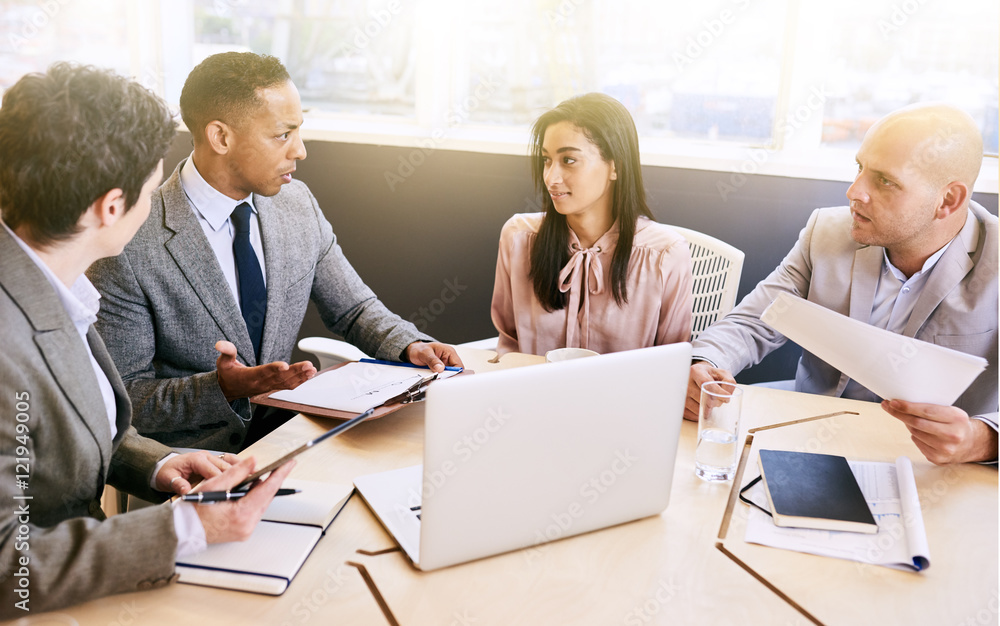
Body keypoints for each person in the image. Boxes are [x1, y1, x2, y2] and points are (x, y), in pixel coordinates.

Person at [0, 64, 297, 617]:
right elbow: (8, 571)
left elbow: (81, 437)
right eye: (149, 187)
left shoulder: (54, 282)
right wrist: (186, 528)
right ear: (111, 207)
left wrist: (162, 465)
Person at [88, 52, 462, 452]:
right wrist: (220, 389)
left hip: (293, 441)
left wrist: (409, 345)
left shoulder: (295, 203)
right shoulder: (129, 241)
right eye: (283, 135)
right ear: (221, 137)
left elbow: (353, 309)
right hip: (194, 462)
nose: (300, 151)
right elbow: (124, 397)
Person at [687, 103, 997, 465]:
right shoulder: (827, 232)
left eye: (884, 181)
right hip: (817, 430)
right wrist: (703, 360)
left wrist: (983, 440)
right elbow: (754, 319)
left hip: (927, 462)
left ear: (948, 200)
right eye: (859, 168)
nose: (853, 192)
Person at [490, 93, 694, 356]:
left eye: (569, 160)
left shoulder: (665, 255)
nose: (551, 177)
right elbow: (509, 345)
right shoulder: (518, 237)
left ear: (615, 167)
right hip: (531, 395)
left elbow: (671, 365)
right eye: (547, 160)